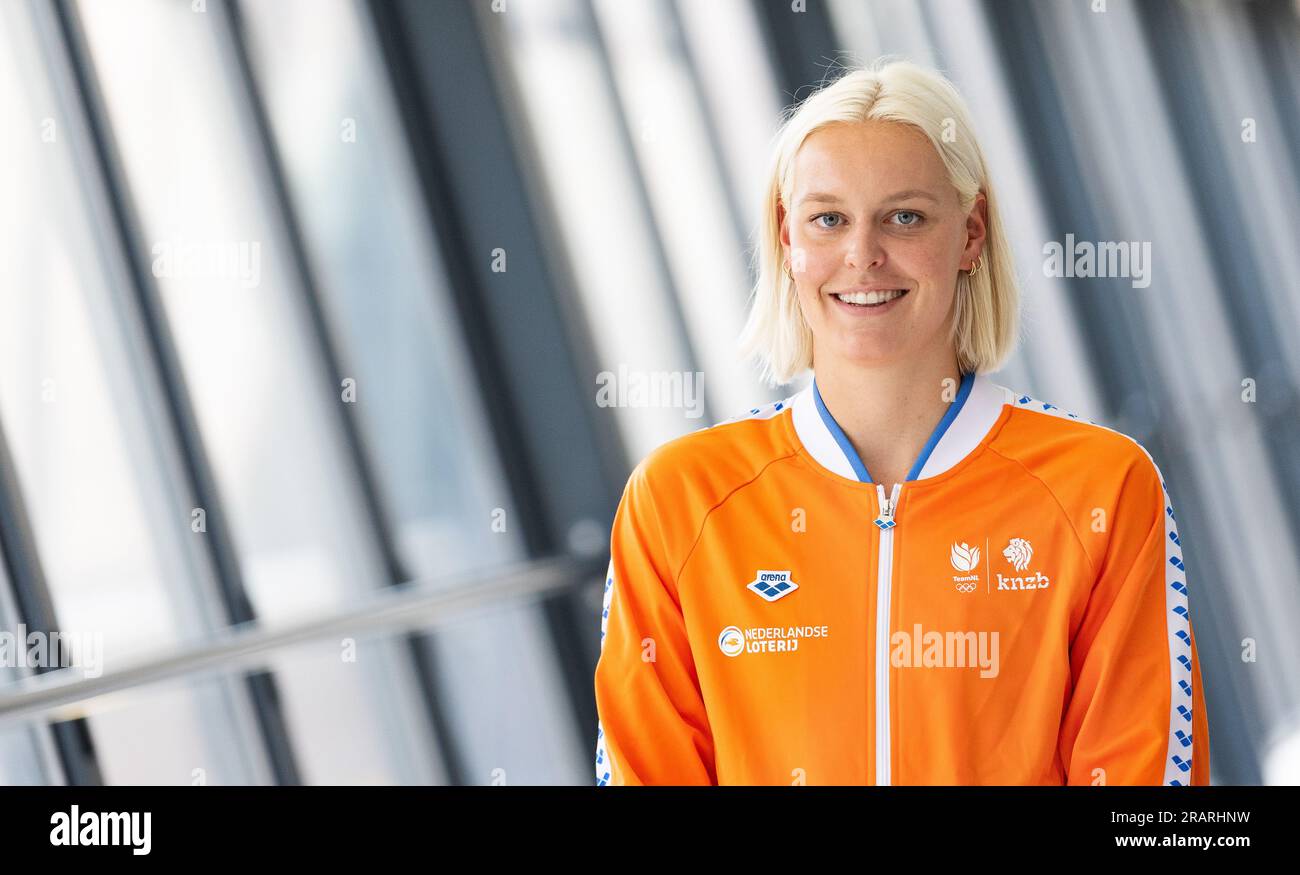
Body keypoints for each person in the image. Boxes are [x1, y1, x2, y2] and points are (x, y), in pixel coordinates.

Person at [592, 59, 1209, 785]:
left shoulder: (1098, 488)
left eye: (905, 216)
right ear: (788, 240)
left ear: (971, 233)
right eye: (829, 219)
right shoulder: (680, 499)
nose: (863, 255)